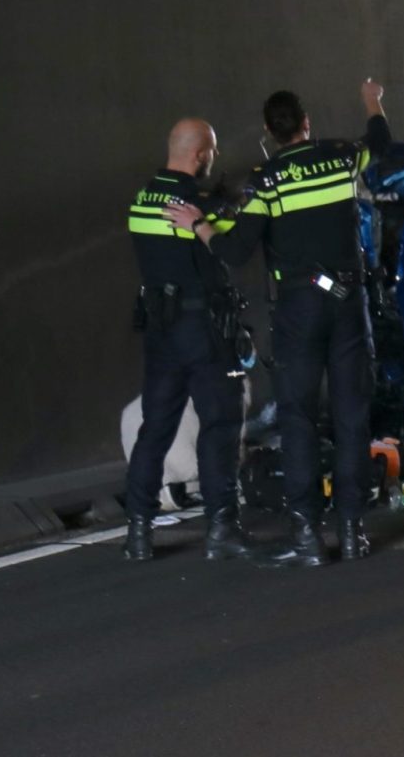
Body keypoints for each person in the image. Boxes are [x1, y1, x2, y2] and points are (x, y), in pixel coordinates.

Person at [167, 79, 391, 565]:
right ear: (307, 124)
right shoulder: (343, 157)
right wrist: (372, 101)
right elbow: (381, 144)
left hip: (299, 308)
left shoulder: (267, 181)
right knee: (353, 418)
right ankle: (353, 533)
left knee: (298, 420)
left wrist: (197, 224)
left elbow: (234, 250)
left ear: (269, 131)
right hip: (350, 303)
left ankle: (308, 537)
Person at [123, 119, 251, 561]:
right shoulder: (198, 205)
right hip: (205, 330)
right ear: (200, 154)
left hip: (160, 330)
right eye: (211, 151)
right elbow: (234, 249)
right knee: (220, 425)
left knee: (154, 428)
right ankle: (222, 529)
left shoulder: (142, 198)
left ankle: (138, 533)